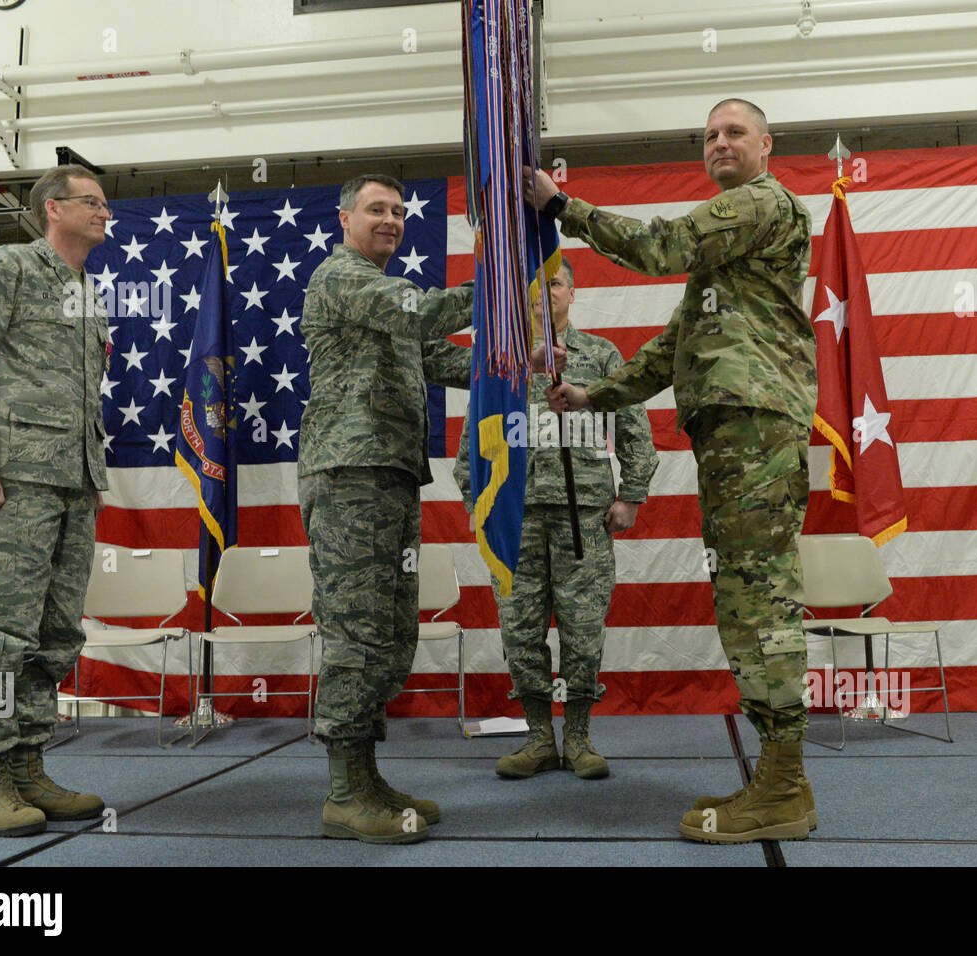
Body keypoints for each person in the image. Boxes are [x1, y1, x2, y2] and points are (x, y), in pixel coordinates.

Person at [535, 99, 820, 843]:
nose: (720, 143)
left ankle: (785, 786)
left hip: (756, 428)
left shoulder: (763, 203)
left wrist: (564, 207)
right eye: (710, 136)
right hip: (735, 434)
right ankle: (778, 777)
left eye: (734, 132)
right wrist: (593, 394)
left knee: (761, 601)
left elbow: (661, 245)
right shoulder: (727, 262)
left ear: (766, 145)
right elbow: (669, 352)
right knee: (745, 596)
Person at [299, 173, 564, 845]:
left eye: (396, 211)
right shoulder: (343, 278)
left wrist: (517, 359)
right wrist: (501, 290)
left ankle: (366, 776)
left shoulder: (379, 296)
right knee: (357, 634)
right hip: (349, 477)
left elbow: (441, 360)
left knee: (388, 631)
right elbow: (423, 316)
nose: (390, 220)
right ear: (345, 219)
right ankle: (343, 792)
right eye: (375, 210)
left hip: (386, 475)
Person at [0, 164, 112, 837]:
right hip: (13, 484)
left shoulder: (87, 293)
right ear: (53, 209)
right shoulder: (10, 266)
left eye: (104, 203)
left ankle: (30, 764)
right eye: (91, 202)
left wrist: (90, 474)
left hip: (72, 484)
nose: (103, 213)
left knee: (54, 636)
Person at [454, 257, 658, 781]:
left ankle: (580, 738)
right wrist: (480, 504)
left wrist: (630, 496)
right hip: (514, 520)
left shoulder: (601, 354)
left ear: (573, 293)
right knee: (520, 632)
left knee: (583, 630)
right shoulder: (500, 360)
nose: (546, 295)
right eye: (535, 288)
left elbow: (633, 427)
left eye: (557, 284)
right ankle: (540, 738)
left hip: (584, 519)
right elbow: (473, 441)